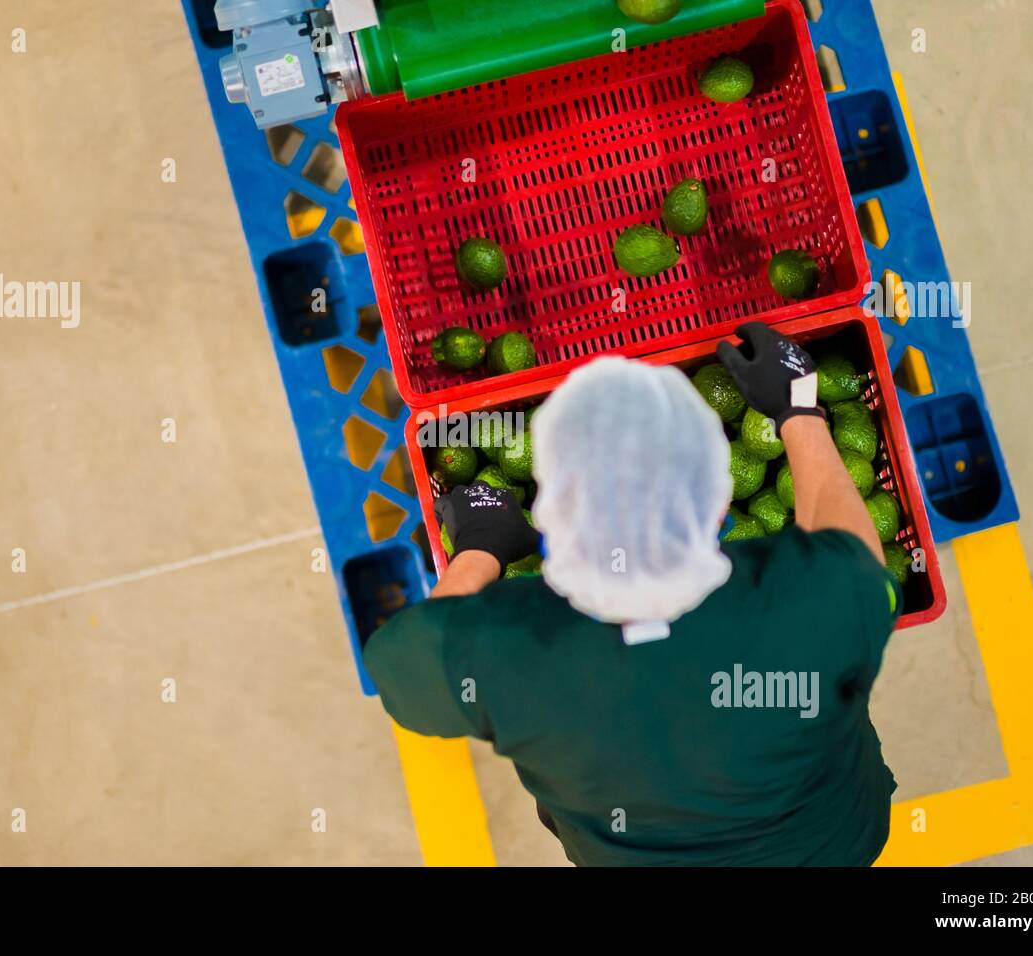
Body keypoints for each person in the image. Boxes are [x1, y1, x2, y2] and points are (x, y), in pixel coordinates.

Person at [363, 323, 901, 866]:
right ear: (719, 505)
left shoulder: (513, 650)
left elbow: (398, 671)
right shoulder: (798, 603)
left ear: (553, 521)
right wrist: (798, 409)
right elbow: (854, 551)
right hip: (829, 847)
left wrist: (481, 548)